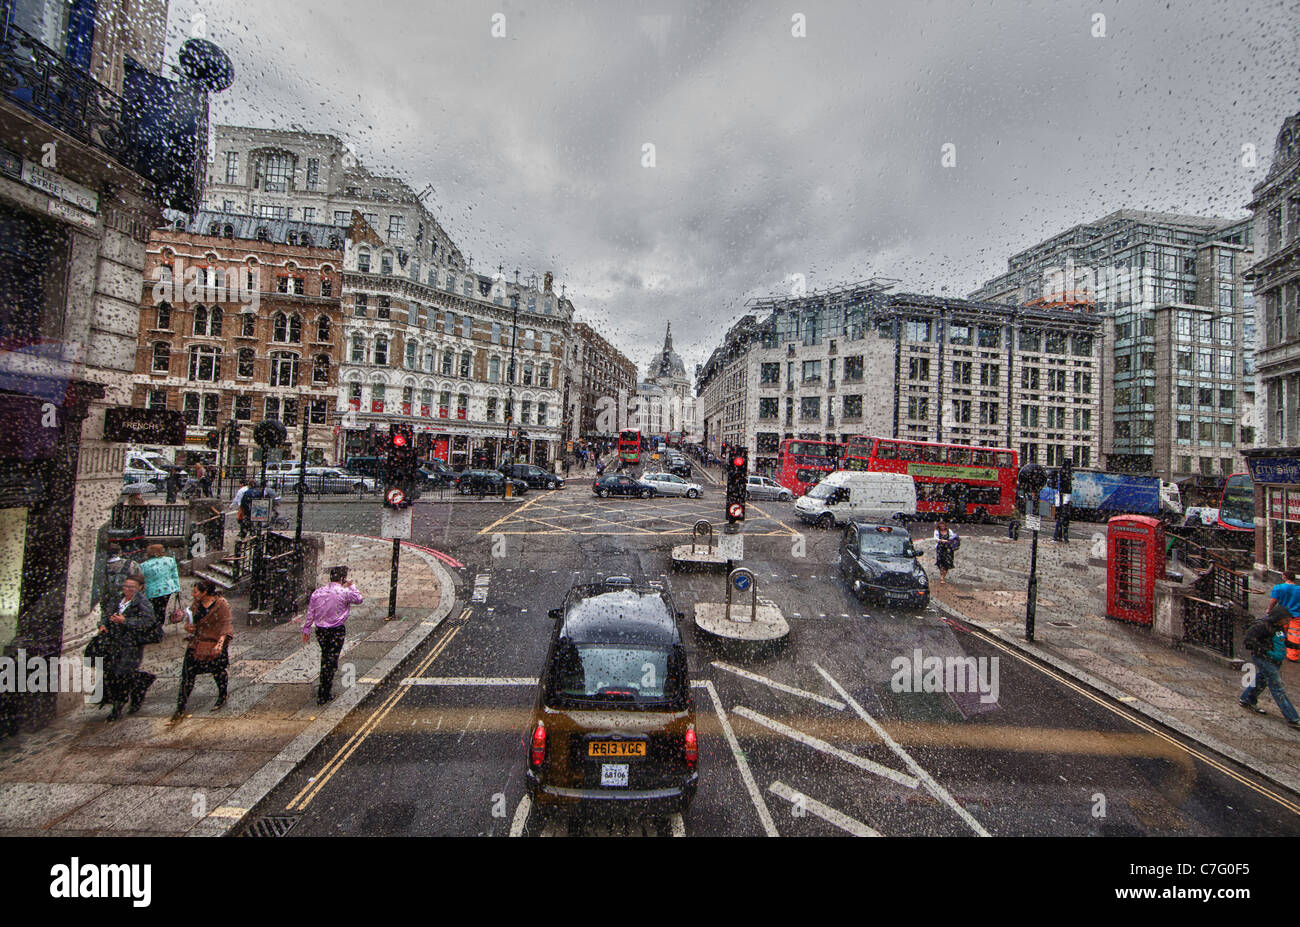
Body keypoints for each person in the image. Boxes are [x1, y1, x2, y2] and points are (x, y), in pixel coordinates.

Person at [171, 579, 233, 721]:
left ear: (205, 592)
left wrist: (220, 643)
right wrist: (188, 627)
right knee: (188, 675)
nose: (193, 594)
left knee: (218, 671)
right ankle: (181, 706)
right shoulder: (197, 604)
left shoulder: (221, 604)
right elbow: (190, 621)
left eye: (196, 591)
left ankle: (222, 695)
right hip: (197, 643)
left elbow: (226, 624)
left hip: (215, 642)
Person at [95, 575, 156, 721]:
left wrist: (126, 621)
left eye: (131, 587)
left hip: (131, 645)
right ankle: (140, 682)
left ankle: (118, 706)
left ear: (140, 587)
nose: (127, 590)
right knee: (112, 673)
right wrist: (103, 624)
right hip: (114, 642)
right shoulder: (118, 599)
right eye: (126, 586)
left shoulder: (143, 603)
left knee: (121, 674)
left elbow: (148, 622)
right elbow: (107, 613)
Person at [302, 566, 363, 705]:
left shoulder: (318, 592)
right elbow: (359, 599)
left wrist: (306, 629)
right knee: (331, 660)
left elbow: (311, 611)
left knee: (326, 656)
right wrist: (352, 585)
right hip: (336, 630)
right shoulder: (344, 592)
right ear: (342, 578)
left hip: (321, 631)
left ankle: (324, 686)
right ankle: (324, 693)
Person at [1240, 611, 1300, 728]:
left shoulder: (1279, 627)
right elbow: (1249, 641)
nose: (1287, 622)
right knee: (1277, 687)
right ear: (1279, 618)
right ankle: (1293, 718)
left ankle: (1247, 699)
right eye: (1286, 620)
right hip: (1264, 659)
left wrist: (1295, 646)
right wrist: (1266, 651)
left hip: (1273, 660)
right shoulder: (1262, 626)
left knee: (1261, 679)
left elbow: (1283, 642)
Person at [139, 544, 180, 626]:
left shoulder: (144, 565)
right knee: (162, 608)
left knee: (152, 609)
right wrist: (177, 588)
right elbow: (175, 575)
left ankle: (153, 626)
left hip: (151, 591)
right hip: (168, 589)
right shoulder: (170, 560)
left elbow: (141, 579)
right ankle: (160, 625)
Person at [1264, 571, 1300, 663]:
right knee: (1295, 635)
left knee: (1280, 632)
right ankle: (1292, 655)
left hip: (1282, 615)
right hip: (1296, 614)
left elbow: (1274, 600)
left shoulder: (1279, 588)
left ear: (1284, 577)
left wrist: (1269, 609)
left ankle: (1279, 650)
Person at [933, 520, 959, 584]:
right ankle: (942, 573)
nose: (942, 527)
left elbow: (953, 537)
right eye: (940, 525)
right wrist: (942, 540)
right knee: (940, 562)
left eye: (943, 525)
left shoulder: (949, 531)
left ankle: (943, 577)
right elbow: (936, 539)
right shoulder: (936, 531)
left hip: (948, 548)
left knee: (948, 562)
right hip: (940, 548)